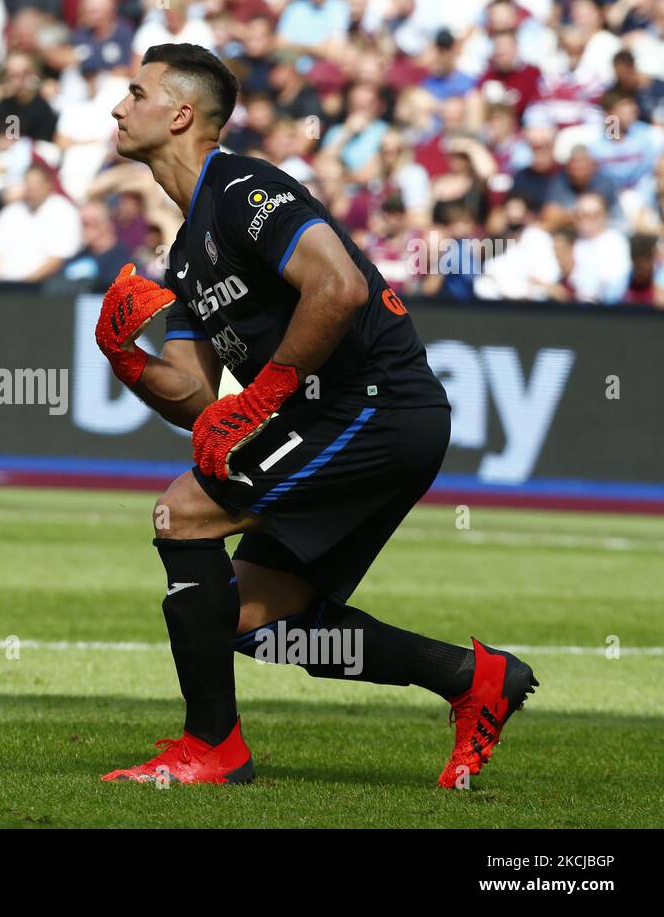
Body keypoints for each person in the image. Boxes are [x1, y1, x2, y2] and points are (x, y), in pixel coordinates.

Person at [96, 42, 536, 788]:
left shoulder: (243, 187)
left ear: (179, 115)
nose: (118, 106)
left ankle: (214, 749)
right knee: (250, 622)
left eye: (135, 92)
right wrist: (126, 356)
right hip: (345, 416)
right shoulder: (187, 252)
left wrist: (261, 398)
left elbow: (339, 288)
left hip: (377, 404)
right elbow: (201, 406)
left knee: (184, 513)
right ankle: (470, 679)